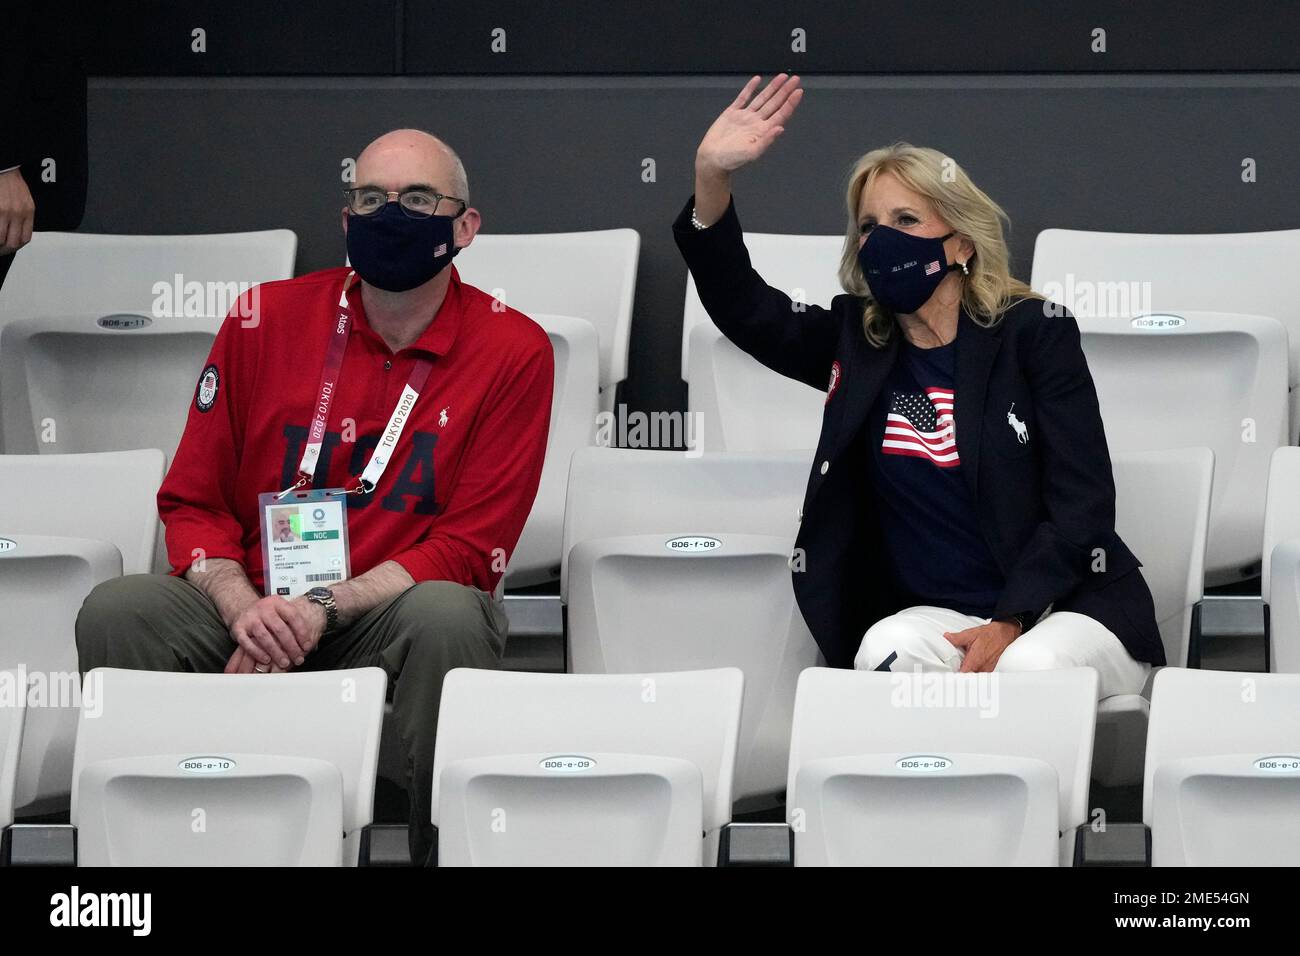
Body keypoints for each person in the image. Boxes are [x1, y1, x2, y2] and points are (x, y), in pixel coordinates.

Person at [75, 129, 554, 865]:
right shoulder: (261, 319)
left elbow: (467, 548)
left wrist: (320, 607)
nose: (390, 214)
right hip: (254, 603)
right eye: (370, 198)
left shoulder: (513, 349)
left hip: (383, 613)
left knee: (451, 614)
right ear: (345, 219)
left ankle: (433, 845)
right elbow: (193, 504)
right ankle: (158, 843)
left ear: (465, 227)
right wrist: (247, 610)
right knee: (119, 609)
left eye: (418, 199)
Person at [673, 75, 1163, 695]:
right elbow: (746, 310)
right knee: (884, 648)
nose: (883, 240)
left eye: (906, 219)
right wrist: (711, 176)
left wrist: (1011, 621)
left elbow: (1083, 504)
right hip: (941, 615)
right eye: (870, 226)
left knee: (1025, 669)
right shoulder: (859, 342)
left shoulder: (1033, 334)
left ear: (958, 242)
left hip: (1065, 610)